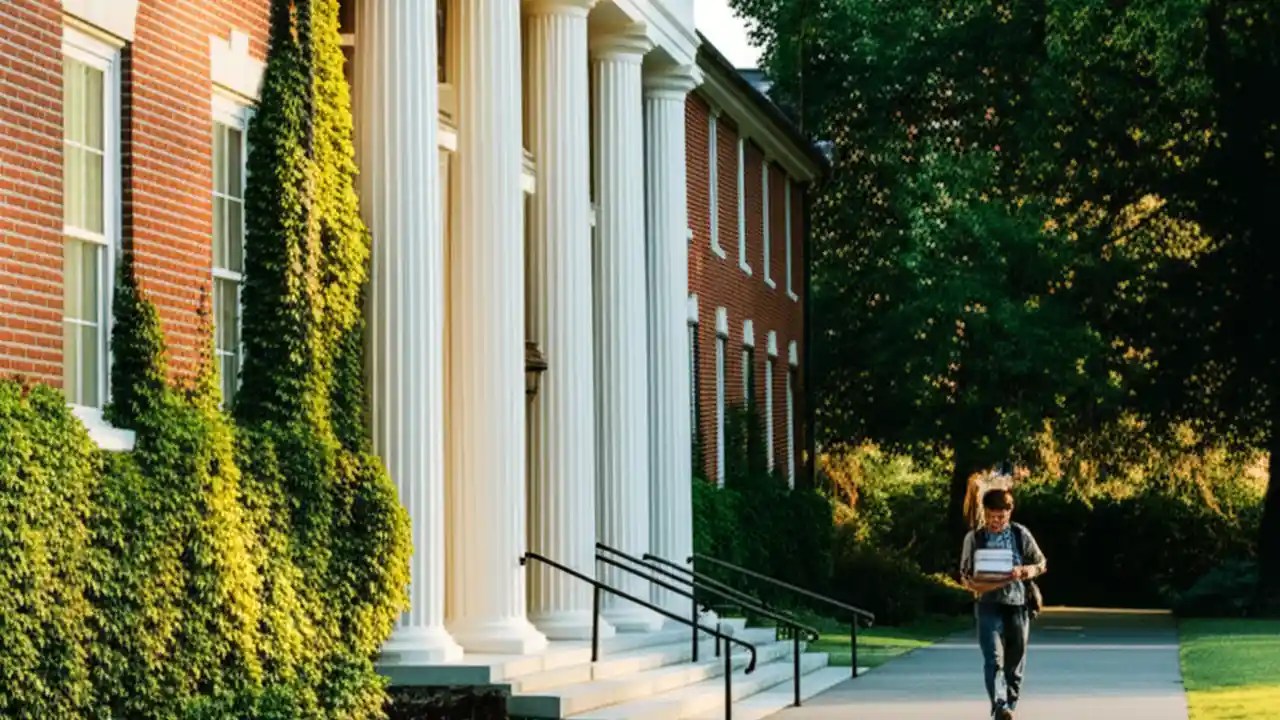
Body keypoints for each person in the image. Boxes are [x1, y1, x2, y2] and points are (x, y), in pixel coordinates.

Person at [959, 487, 1047, 720]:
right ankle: (999, 705)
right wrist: (988, 582)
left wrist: (1025, 571)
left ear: (1010, 513)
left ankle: (1009, 707)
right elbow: (965, 576)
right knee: (993, 658)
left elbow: (1041, 563)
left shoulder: (1020, 535)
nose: (995, 521)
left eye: (1001, 516)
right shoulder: (974, 538)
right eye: (991, 515)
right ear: (984, 512)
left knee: (1015, 662)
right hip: (988, 605)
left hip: (1018, 605)